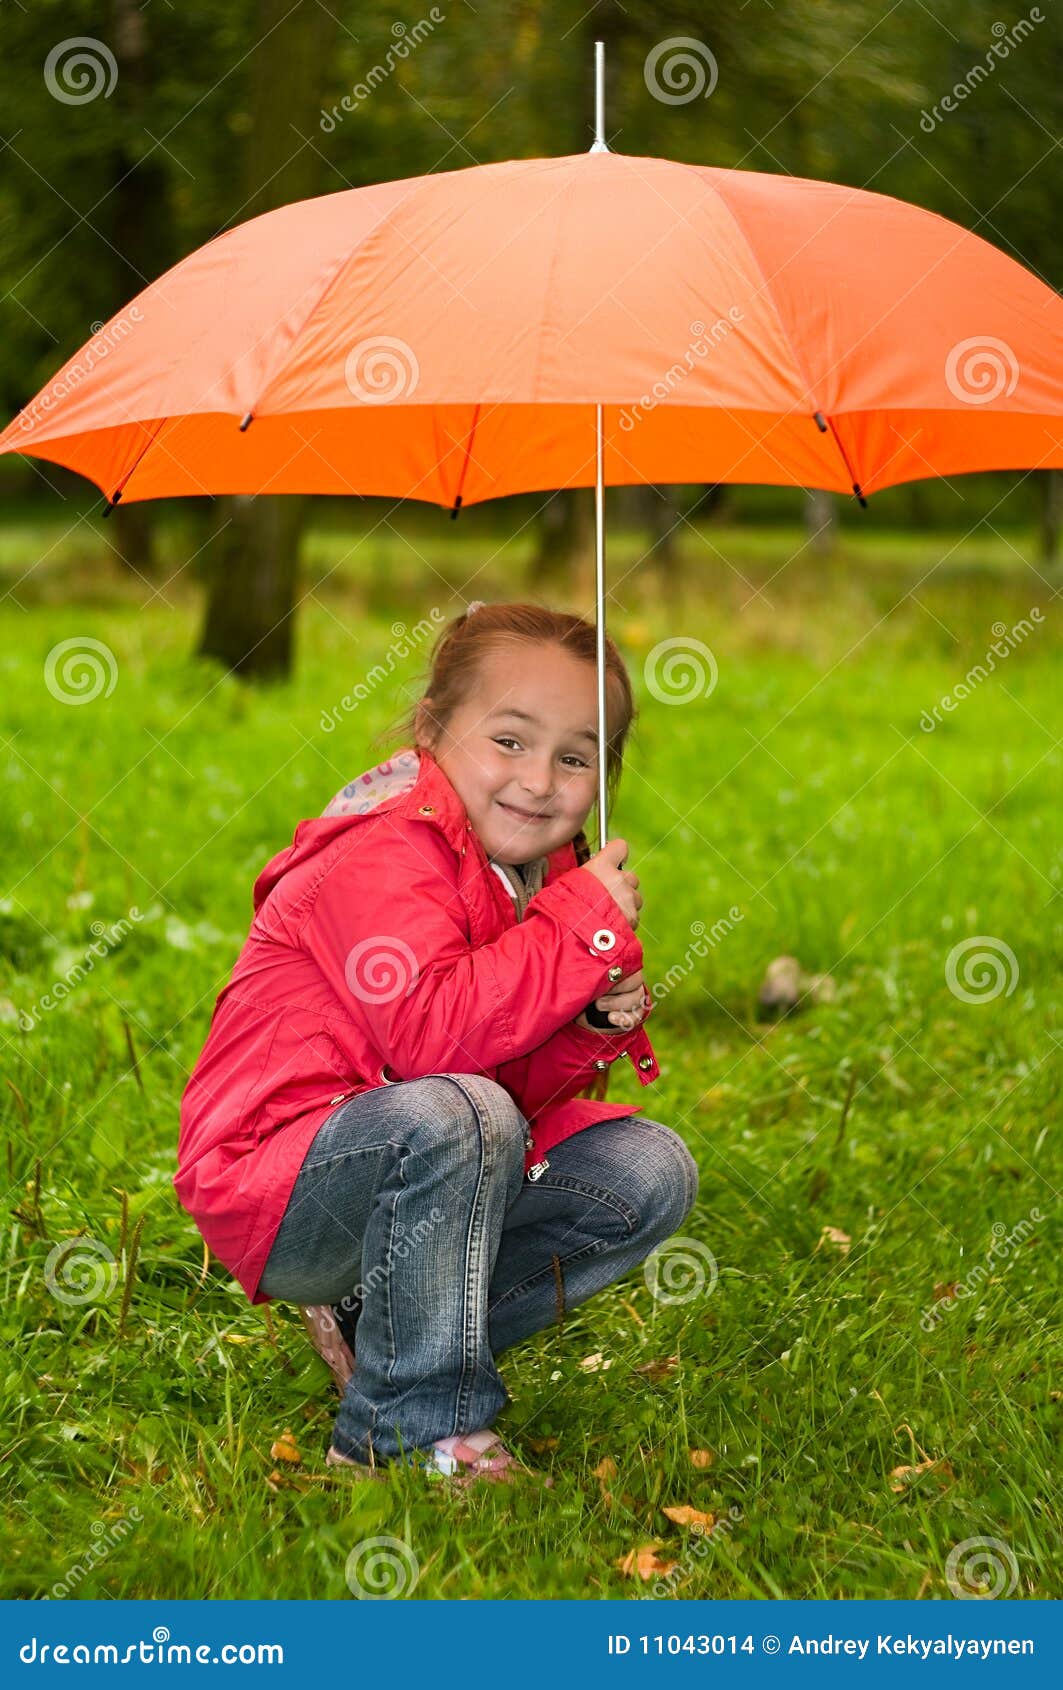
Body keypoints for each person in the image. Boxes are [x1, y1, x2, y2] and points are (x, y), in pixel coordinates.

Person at [174, 601, 699, 1488]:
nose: (539, 780)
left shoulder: (532, 875)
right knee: (458, 1110)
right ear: (430, 728)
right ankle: (403, 1431)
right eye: (508, 741)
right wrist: (571, 936)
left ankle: (381, 1337)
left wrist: (580, 1022)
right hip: (282, 1181)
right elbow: (434, 1043)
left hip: (417, 1148)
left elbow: (504, 1081)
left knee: (647, 1171)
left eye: (576, 757)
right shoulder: (383, 849)